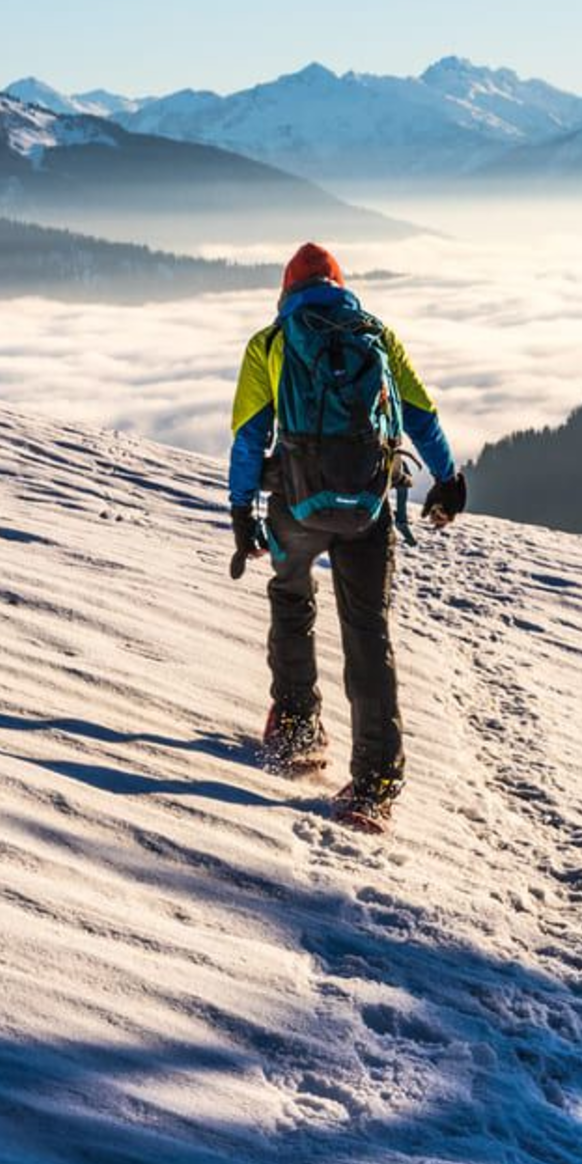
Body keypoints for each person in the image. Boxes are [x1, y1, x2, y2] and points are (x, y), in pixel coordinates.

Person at [226, 241, 467, 828]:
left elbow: (249, 436)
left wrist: (241, 511)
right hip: (367, 505)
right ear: (341, 286)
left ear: (286, 292)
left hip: (297, 506)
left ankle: (296, 725)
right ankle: (376, 782)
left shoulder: (271, 344)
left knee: (291, 599)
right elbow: (420, 416)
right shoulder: (377, 336)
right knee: (367, 632)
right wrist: (448, 478)